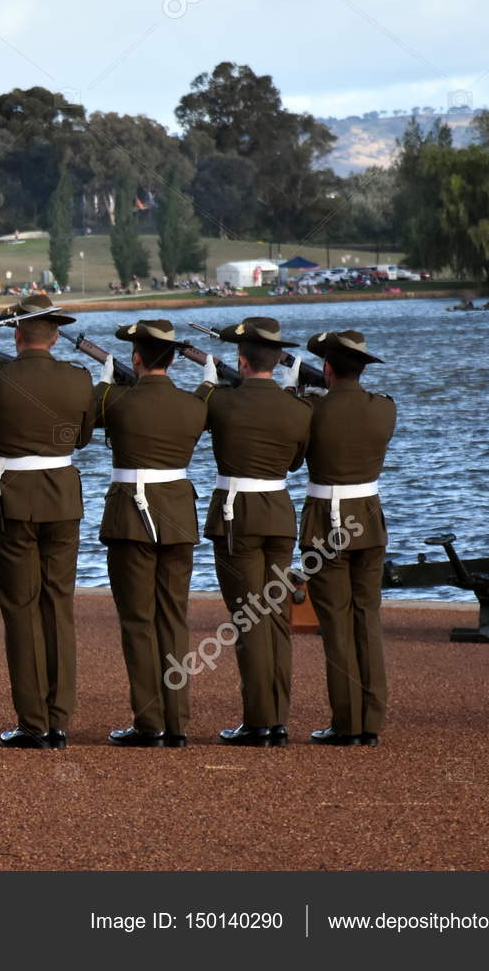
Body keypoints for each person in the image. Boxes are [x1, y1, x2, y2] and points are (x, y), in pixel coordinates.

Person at [0, 295, 91, 749]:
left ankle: (32, 722)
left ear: (17, 334)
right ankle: (59, 720)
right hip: (62, 498)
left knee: (21, 610)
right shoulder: (79, 379)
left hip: (13, 500)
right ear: (57, 335)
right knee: (58, 607)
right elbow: (81, 439)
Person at [197, 317, 312, 747]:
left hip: (237, 516)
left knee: (249, 618)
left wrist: (207, 385)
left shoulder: (222, 401)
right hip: (280, 514)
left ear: (241, 362)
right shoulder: (298, 408)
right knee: (276, 617)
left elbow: (197, 421)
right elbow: (297, 461)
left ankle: (259, 722)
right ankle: (277, 719)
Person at [92, 321, 207, 748]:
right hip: (178, 512)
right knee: (174, 617)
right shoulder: (194, 405)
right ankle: (176, 721)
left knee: (138, 621)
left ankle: (149, 723)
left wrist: (103, 386)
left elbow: (85, 427)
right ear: (173, 359)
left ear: (135, 359)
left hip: (130, 518)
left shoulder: (116, 401)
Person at [300, 331, 395, 747]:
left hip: (325, 520)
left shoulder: (311, 411)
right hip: (369, 519)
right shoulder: (384, 409)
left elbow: (291, 458)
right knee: (366, 618)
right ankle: (370, 720)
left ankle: (346, 721)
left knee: (336, 624)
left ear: (327, 369)